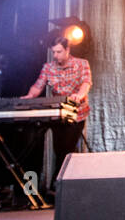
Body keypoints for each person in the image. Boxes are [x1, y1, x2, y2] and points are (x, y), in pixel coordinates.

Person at [23, 34, 91, 189]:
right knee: (58, 149)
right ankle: (41, 188)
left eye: (59, 52)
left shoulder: (81, 64)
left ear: (67, 50)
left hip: (76, 114)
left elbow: (86, 84)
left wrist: (79, 96)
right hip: (57, 115)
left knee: (66, 150)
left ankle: (59, 186)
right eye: (53, 52)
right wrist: (29, 96)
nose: (55, 55)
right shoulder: (48, 67)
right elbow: (38, 86)